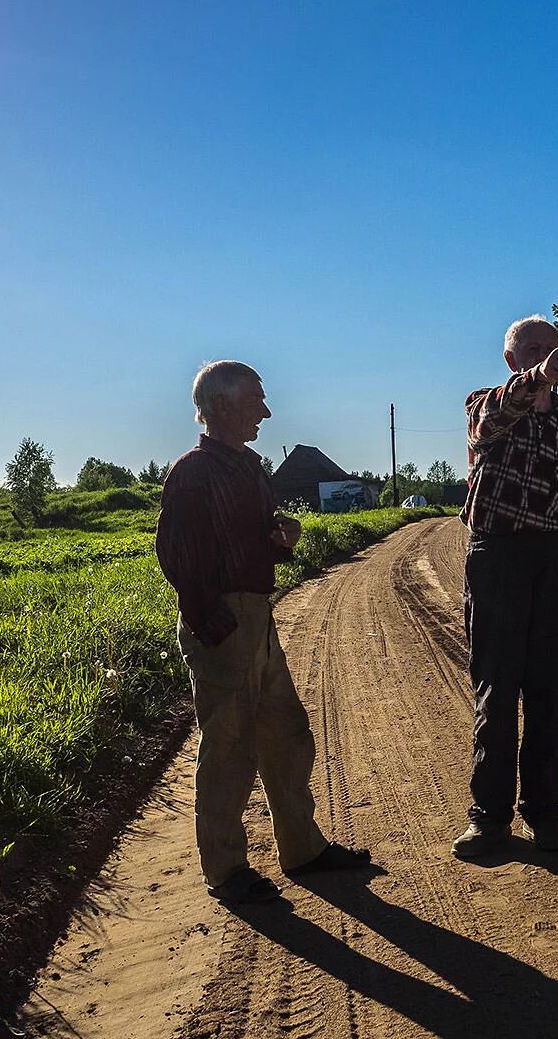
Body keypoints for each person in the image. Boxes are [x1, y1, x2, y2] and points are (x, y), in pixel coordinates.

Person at [154, 360, 371, 904]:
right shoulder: (194, 472)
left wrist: (278, 538)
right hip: (223, 621)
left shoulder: (247, 468)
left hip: (256, 615)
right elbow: (177, 556)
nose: (267, 412)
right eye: (257, 400)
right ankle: (226, 872)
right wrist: (212, 621)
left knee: (286, 732)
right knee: (228, 747)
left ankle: (303, 849)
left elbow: (241, 540)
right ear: (222, 405)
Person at [455, 315, 558, 857]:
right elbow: (491, 421)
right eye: (532, 350)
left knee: (550, 690)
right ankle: (488, 820)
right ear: (513, 361)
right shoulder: (487, 403)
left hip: (554, 555)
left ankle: (544, 816)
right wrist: (535, 380)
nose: (545, 354)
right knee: (496, 685)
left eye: (552, 346)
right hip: (497, 556)